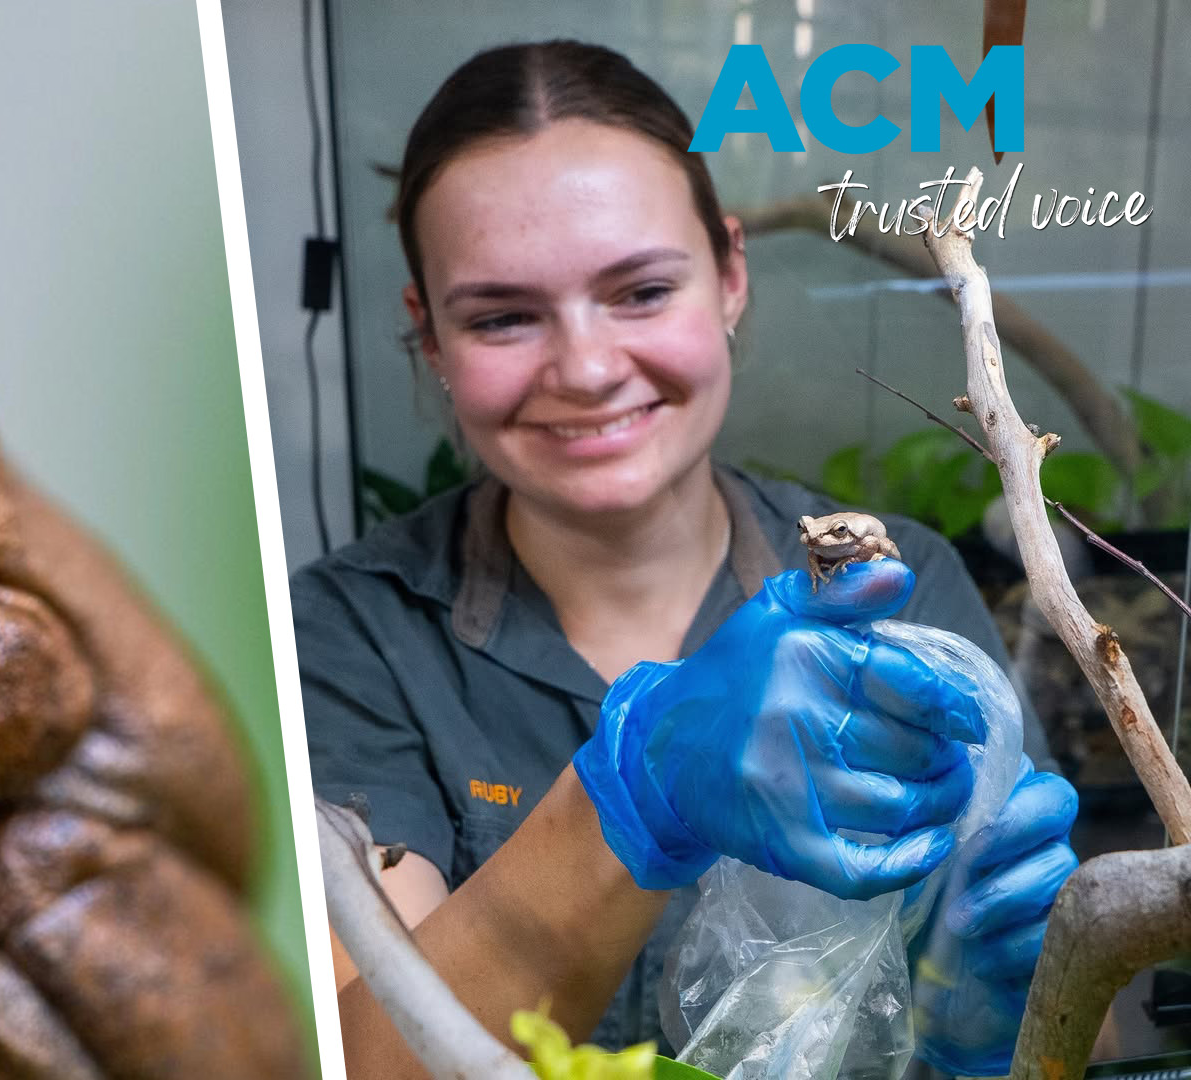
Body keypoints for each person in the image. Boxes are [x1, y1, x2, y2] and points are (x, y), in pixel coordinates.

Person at [294, 40, 1079, 1078]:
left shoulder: (904, 585)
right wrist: (636, 791)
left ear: (730, 275)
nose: (584, 369)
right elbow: (368, 1057)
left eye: (640, 292)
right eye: (501, 316)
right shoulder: (350, 637)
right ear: (430, 337)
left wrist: (1003, 1015)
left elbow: (1086, 1029)